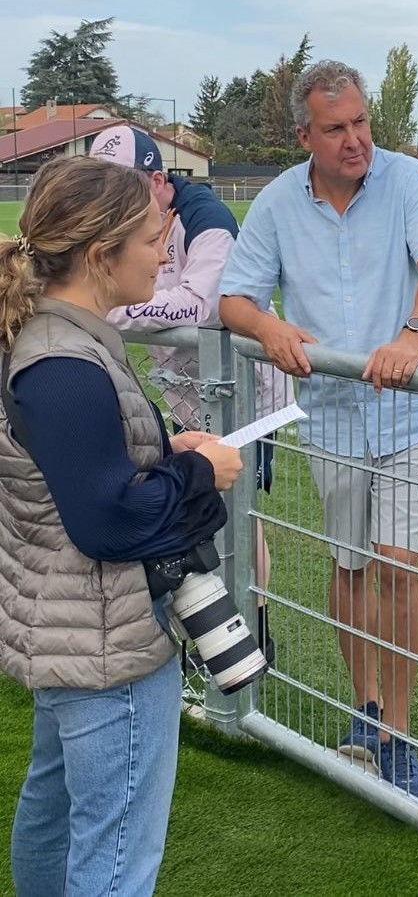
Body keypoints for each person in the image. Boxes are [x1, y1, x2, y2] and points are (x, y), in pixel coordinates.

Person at [0, 156, 242, 896]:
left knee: (55, 810)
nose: (164, 254)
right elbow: (106, 519)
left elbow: (76, 470)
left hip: (70, 626)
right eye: (149, 238)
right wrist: (199, 473)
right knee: (114, 857)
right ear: (102, 254)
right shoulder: (63, 362)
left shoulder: (57, 340)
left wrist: (162, 451)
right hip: (105, 639)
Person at [218, 59, 418, 801]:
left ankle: (400, 735)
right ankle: (367, 708)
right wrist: (269, 327)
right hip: (331, 417)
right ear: (304, 136)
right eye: (335, 128)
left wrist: (414, 334)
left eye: (361, 121)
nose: (355, 139)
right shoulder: (276, 203)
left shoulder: (408, 179)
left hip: (412, 413)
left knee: (398, 564)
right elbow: (234, 298)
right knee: (350, 564)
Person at [90, 123, 293, 662]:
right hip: (187, 393)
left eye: (124, 186)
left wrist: (110, 310)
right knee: (194, 507)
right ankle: (209, 629)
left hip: (243, 393)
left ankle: (253, 627)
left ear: (158, 181)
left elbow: (200, 304)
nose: (110, 200)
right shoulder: (117, 227)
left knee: (235, 510)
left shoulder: (206, 218)